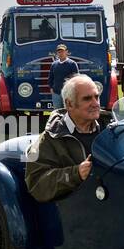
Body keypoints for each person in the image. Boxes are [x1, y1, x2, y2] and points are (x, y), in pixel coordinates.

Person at [25, 74, 102, 202]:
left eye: (97, 97)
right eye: (87, 99)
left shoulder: (111, 128)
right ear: (69, 104)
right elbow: (37, 184)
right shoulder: (50, 138)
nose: (95, 103)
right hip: (77, 211)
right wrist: (76, 174)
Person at [48, 43, 79, 109]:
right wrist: (51, 88)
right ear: (57, 53)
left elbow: (76, 79)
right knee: (57, 112)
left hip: (68, 93)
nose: (60, 53)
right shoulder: (54, 64)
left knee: (69, 111)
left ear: (66, 52)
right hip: (56, 93)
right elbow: (50, 77)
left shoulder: (72, 64)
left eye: (62, 51)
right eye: (59, 52)